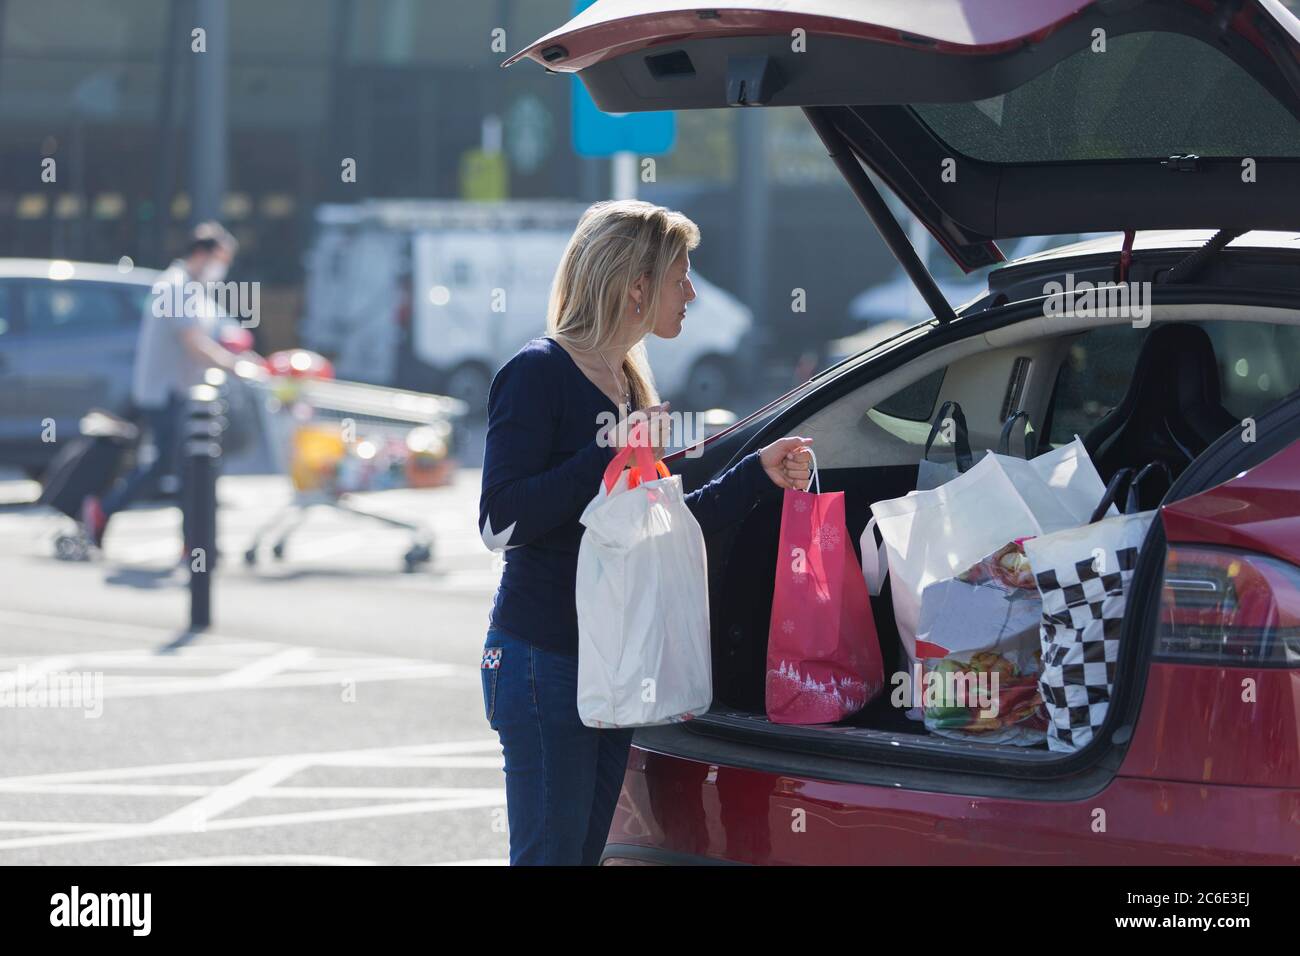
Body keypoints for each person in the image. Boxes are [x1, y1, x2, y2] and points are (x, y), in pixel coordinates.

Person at [477, 199, 814, 865]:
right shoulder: (538, 371)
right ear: (636, 285)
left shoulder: (629, 381)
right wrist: (606, 453)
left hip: (612, 659)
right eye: (680, 276)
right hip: (545, 659)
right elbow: (499, 521)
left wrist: (756, 475)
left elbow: (658, 527)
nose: (691, 293)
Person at [82, 221, 254, 550]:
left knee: (178, 466)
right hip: (164, 393)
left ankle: (189, 540)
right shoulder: (175, 287)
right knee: (179, 466)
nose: (224, 268)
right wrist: (235, 366)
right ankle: (184, 539)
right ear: (202, 253)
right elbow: (194, 342)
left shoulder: (194, 287)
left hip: (181, 391)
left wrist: (240, 354)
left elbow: (218, 334)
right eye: (222, 258)